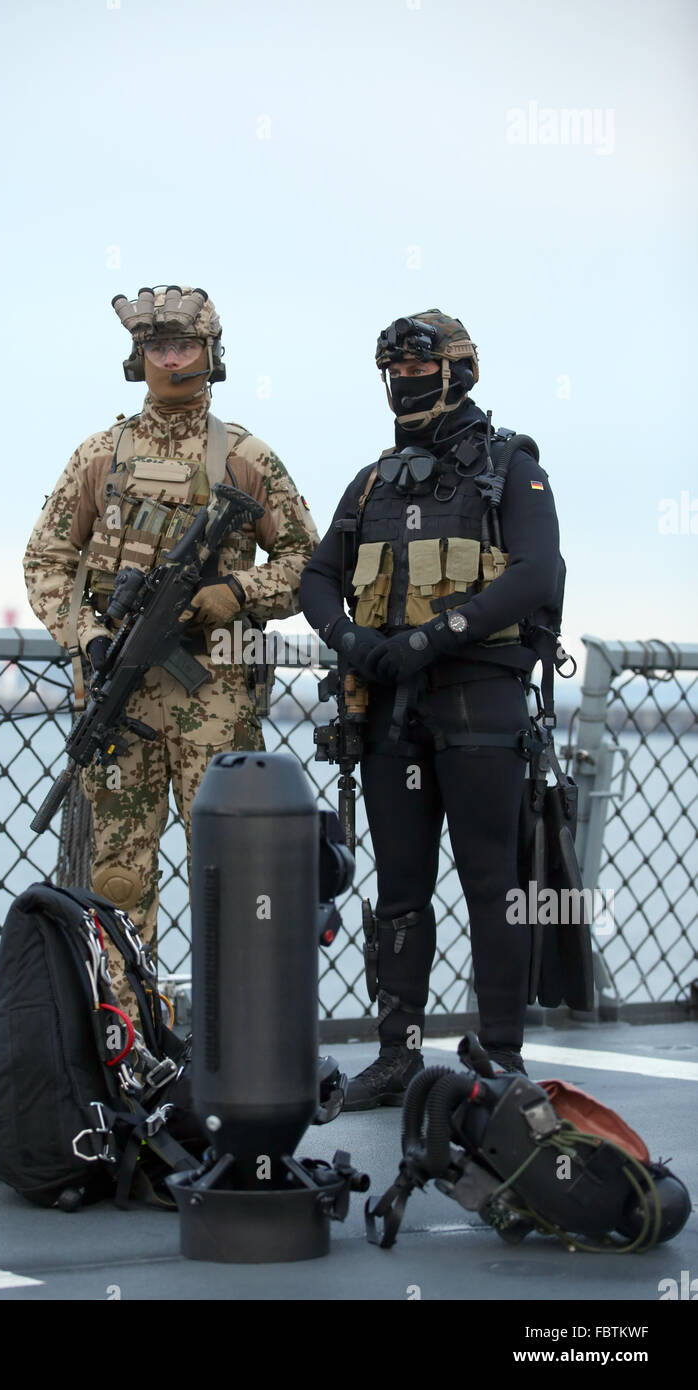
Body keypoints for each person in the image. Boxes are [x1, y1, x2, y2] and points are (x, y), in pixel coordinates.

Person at [24, 285, 319, 1018]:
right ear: (139, 356)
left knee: (232, 871)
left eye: (185, 345)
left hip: (215, 699)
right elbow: (47, 561)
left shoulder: (245, 456)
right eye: (158, 346)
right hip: (119, 696)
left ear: (211, 355)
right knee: (119, 876)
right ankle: (127, 1030)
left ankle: (242, 1033)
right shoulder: (100, 456)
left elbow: (310, 564)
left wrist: (238, 595)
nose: (172, 358)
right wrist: (88, 634)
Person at [299, 310, 562, 1108]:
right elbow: (316, 578)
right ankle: (397, 1053)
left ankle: (502, 1058)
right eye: (397, 372)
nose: (407, 384)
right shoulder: (373, 482)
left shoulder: (513, 467)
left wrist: (433, 639)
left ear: (458, 372)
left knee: (493, 882)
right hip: (389, 710)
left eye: (420, 369)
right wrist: (351, 638)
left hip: (481, 703)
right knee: (402, 891)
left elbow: (536, 575)